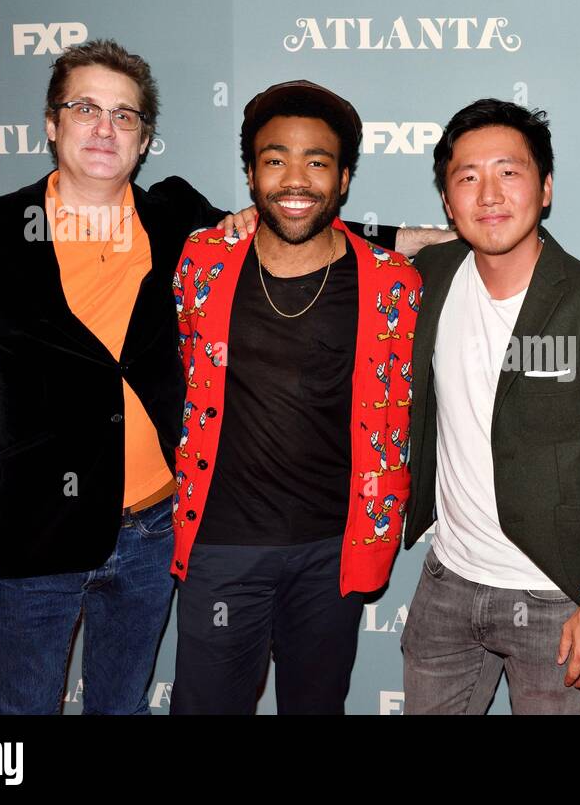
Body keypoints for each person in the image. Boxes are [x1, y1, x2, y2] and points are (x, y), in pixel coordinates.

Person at [0, 38, 427, 715]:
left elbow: (297, 215)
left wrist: (429, 236)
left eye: (125, 116)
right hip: (31, 537)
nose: (106, 128)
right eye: (86, 108)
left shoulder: (172, 216)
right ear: (51, 122)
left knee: (122, 708)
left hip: (154, 536)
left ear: (146, 136)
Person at [167, 80, 420, 714]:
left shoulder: (392, 282)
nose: (295, 178)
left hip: (332, 551)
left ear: (344, 179)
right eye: (275, 159)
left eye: (318, 161)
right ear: (251, 174)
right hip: (221, 547)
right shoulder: (202, 259)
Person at [399, 99, 580, 714]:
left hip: (553, 598)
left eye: (509, 172)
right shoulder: (429, 274)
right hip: (447, 583)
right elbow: (321, 233)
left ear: (545, 189)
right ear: (446, 201)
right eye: (468, 177)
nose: (489, 193)